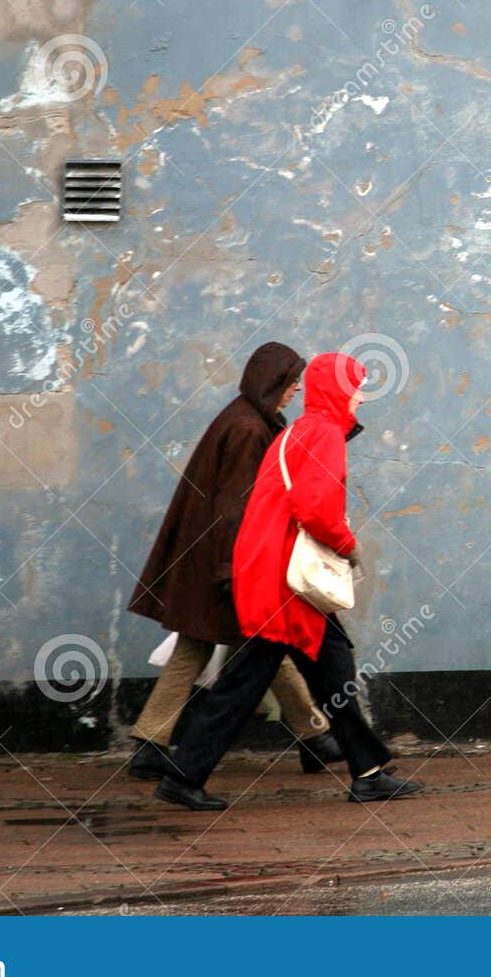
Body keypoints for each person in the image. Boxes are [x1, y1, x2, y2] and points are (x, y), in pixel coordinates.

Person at [158, 351, 423, 810]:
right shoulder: (324, 435)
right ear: (337, 391)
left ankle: (368, 771)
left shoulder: (296, 431)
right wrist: (348, 544)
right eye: (356, 388)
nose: (361, 397)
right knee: (245, 684)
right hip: (287, 586)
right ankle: (183, 777)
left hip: (270, 576)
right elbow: (315, 509)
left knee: (331, 669)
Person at [126, 341, 344, 779]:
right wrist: (233, 569)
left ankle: (151, 742)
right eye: (292, 381)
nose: (297, 390)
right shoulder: (249, 430)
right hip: (226, 560)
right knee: (265, 642)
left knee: (216, 644)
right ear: (273, 382)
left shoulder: (243, 418)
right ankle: (314, 736)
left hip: (211, 557)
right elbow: (236, 507)